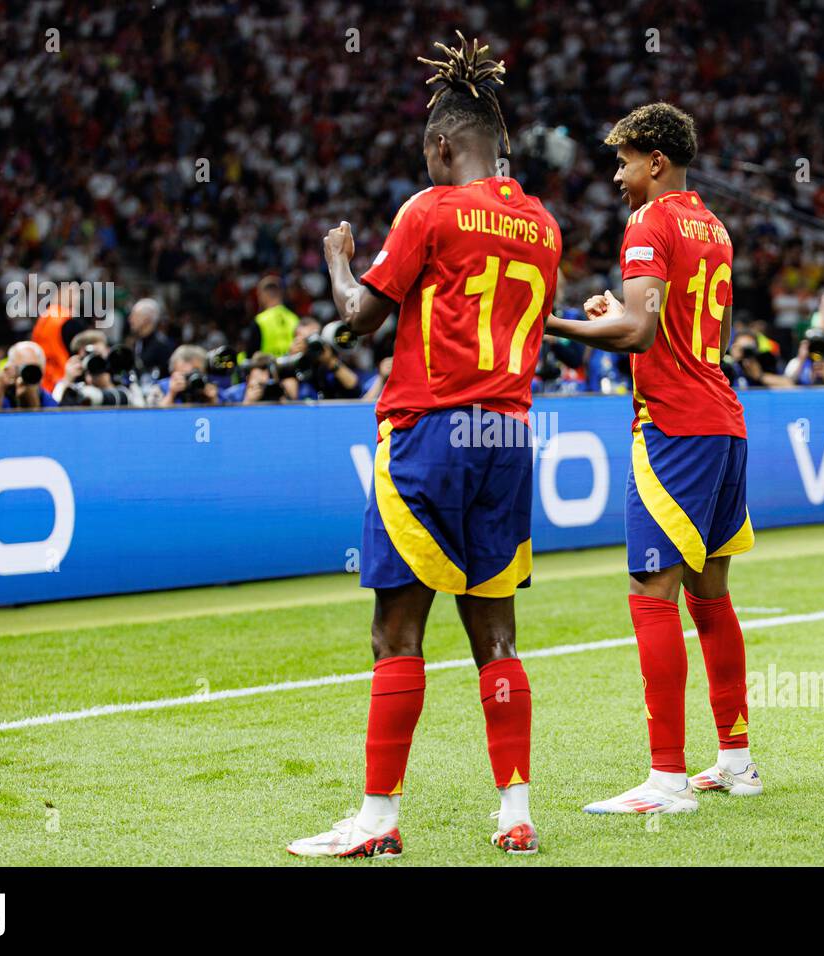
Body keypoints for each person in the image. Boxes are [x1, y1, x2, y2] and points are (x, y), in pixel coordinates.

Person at [288, 33, 561, 859]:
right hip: (509, 435)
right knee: (498, 635)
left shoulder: (428, 208)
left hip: (431, 433)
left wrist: (337, 258)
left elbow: (357, 318)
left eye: (430, 153)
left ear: (443, 146)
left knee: (396, 634)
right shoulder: (544, 226)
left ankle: (376, 821)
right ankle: (514, 812)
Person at [546, 102, 762, 815]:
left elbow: (639, 333)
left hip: (674, 429)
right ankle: (736, 762)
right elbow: (700, 332)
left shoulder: (650, 222)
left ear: (656, 161)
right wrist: (620, 318)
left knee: (651, 595)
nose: (618, 175)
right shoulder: (715, 227)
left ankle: (667, 780)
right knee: (710, 597)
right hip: (723, 420)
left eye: (624, 161)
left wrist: (557, 322)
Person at [0, 340, 59, 409]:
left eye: (33, 370)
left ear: (42, 371)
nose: (28, 373)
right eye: (22, 368)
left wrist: (31, 397)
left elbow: (42, 419)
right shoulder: (0, 390)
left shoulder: (45, 398)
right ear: (11, 367)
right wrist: (1, 387)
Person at [242, 274, 300, 358]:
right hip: (291, 368)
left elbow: (251, 356)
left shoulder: (260, 320)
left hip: (268, 368)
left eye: (259, 295)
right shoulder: (294, 318)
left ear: (264, 295)